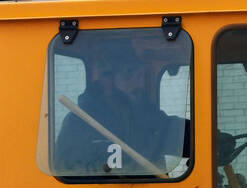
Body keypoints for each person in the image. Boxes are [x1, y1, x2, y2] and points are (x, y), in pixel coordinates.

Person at [54, 36, 188, 176]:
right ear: (107, 78)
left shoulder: (144, 115)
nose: (139, 83)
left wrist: (207, 138)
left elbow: (177, 135)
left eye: (140, 75)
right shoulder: (79, 122)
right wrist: (110, 170)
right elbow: (65, 169)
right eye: (129, 74)